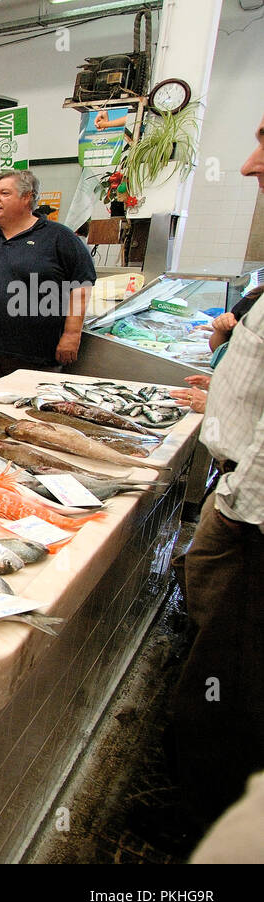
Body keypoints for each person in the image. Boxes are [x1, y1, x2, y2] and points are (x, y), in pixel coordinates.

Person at [168, 111, 264, 844]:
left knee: (232, 671)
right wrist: (223, 399)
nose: (249, 166)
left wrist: (237, 504)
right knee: (217, 649)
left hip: (254, 513)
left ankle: (202, 819)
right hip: (240, 495)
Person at [0, 169, 96, 393]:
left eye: (5, 193)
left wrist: (72, 334)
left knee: (25, 412)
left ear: (27, 197)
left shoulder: (60, 238)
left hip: (33, 356)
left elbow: (81, 288)